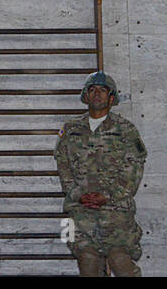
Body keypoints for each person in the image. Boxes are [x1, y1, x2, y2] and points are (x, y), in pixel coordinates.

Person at [54, 71, 147, 276]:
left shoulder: (125, 130)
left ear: (111, 98)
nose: (97, 94)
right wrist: (78, 194)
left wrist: (108, 195)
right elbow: (63, 167)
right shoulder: (70, 129)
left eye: (103, 90)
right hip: (81, 212)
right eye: (92, 90)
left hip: (116, 211)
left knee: (120, 262)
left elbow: (134, 169)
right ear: (85, 96)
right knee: (87, 263)